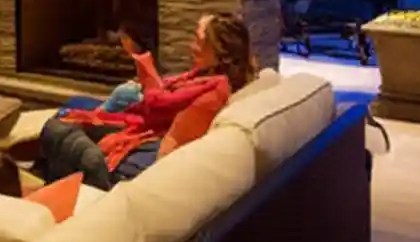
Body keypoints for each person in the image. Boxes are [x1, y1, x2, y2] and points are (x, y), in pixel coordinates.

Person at [39, 13, 258, 190]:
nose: (191, 46)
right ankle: (58, 173)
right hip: (148, 127)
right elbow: (159, 103)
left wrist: (150, 80)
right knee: (74, 105)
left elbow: (167, 139)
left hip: (151, 145)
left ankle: (89, 172)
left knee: (57, 125)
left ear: (221, 52)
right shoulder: (205, 77)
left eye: (199, 42)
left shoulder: (213, 92)